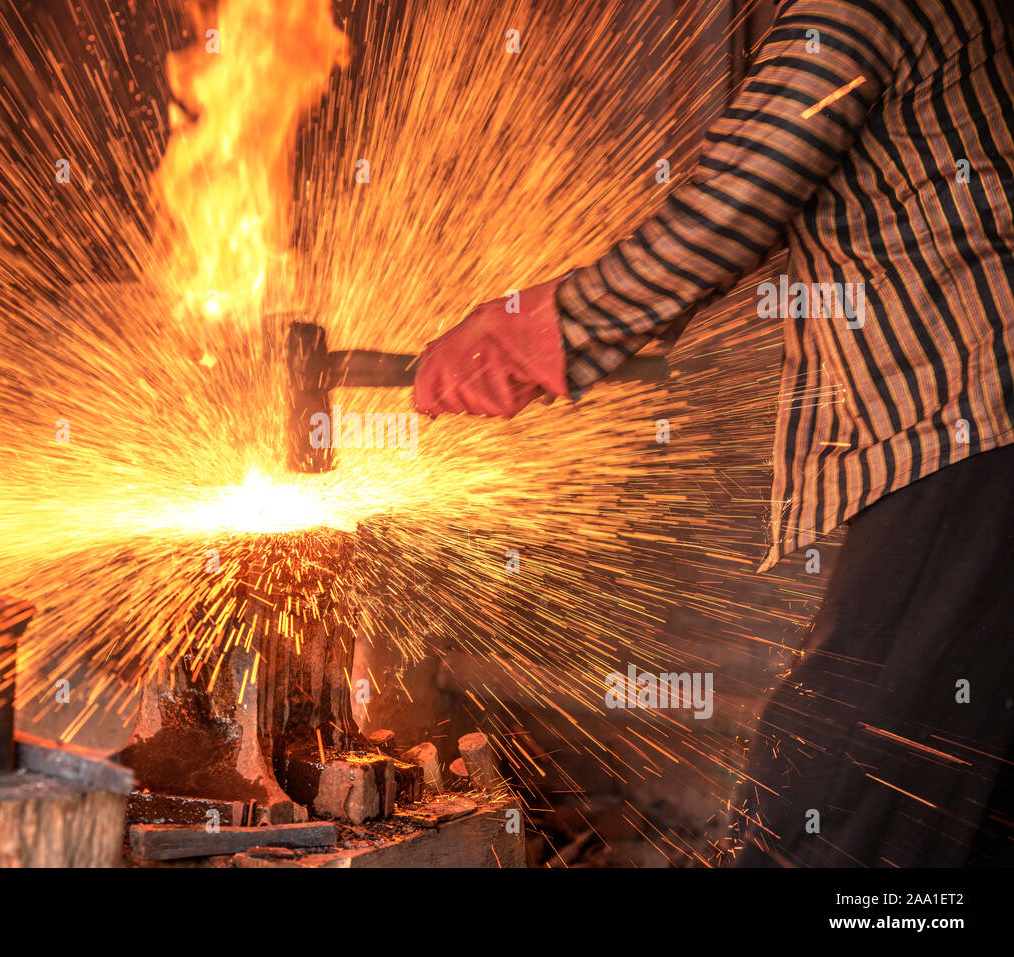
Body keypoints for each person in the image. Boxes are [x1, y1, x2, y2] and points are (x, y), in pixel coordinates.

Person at [414, 0, 1014, 866]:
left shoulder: (842, 11)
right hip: (976, 438)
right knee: (945, 813)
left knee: (821, 812)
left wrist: (544, 329)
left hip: (968, 435)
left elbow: (733, 201)